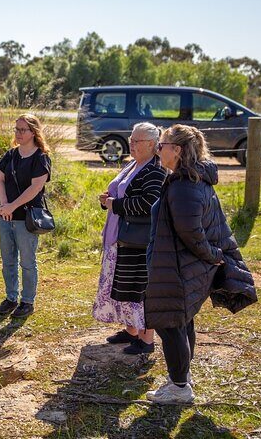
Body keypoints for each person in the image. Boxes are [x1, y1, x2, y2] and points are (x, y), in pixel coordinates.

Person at [144, 124, 257, 404]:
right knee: (182, 321)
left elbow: (193, 234)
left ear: (177, 150)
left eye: (162, 145)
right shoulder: (190, 180)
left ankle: (180, 387)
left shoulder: (183, 186)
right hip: (181, 265)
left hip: (179, 267)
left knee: (170, 323)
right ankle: (181, 378)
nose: (158, 150)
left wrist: (213, 255)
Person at [92, 122, 166, 354]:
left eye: (137, 141)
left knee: (138, 289)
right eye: (131, 139)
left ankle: (146, 341)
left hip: (139, 240)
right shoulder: (134, 164)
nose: (131, 144)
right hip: (122, 236)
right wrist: (108, 200)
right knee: (124, 287)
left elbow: (149, 203)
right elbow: (122, 194)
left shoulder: (155, 169)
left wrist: (116, 204)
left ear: (152, 145)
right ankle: (131, 331)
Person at [0, 114, 51, 318]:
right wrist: (4, 205)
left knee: (27, 262)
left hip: (26, 218)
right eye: (16, 129)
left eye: (22, 130)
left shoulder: (41, 157)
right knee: (8, 260)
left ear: (33, 132)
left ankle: (27, 302)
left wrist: (13, 206)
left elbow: (35, 188)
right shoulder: (10, 154)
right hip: (6, 216)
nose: (17, 133)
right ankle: (10, 298)